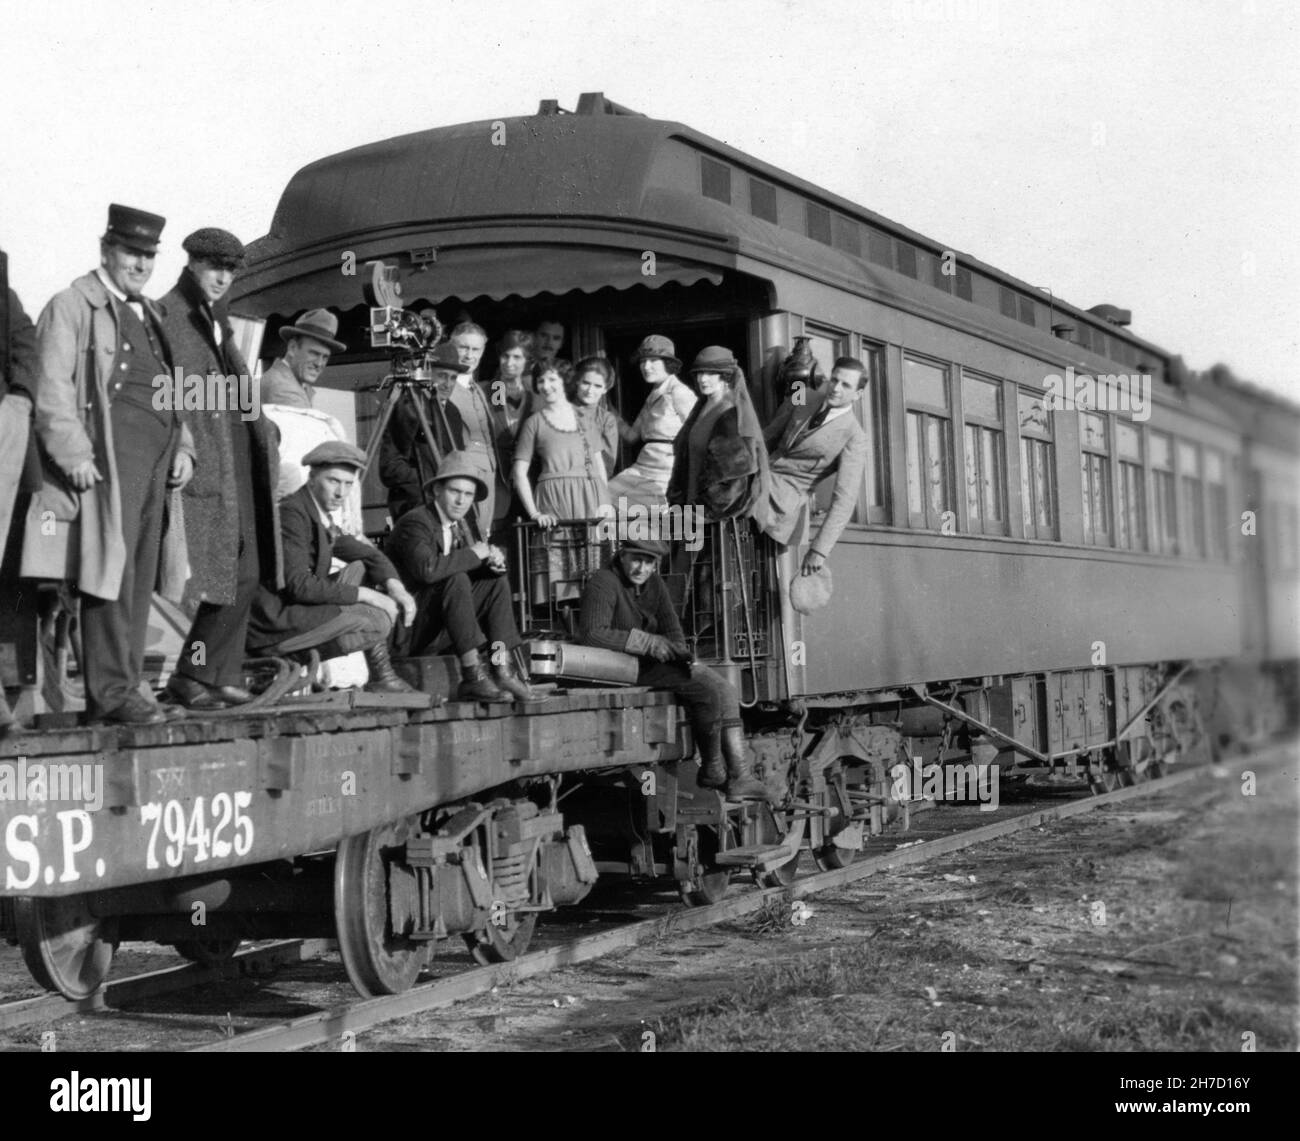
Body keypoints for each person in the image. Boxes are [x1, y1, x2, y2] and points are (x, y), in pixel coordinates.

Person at [21, 205, 196, 725]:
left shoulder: (152, 314)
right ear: (106, 250)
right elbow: (50, 384)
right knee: (107, 578)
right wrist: (72, 453)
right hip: (108, 463)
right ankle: (112, 694)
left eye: (148, 256)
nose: (140, 265)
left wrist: (184, 445)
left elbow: (172, 387)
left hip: (154, 462)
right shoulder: (72, 305)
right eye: (131, 253)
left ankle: (128, 687)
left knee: (140, 579)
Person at [160, 228, 283, 710]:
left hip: (241, 463)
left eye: (230, 269)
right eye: (214, 267)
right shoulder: (170, 318)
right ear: (191, 263)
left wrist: (264, 431)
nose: (221, 277)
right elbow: (169, 396)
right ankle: (191, 675)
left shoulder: (217, 322)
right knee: (216, 577)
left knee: (246, 573)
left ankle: (217, 673)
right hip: (208, 465)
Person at [578, 538, 770, 800]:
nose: (641, 569)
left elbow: (671, 627)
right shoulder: (603, 581)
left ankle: (740, 776)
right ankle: (713, 770)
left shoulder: (654, 584)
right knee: (705, 693)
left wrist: (680, 653)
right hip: (619, 666)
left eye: (649, 563)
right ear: (621, 555)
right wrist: (647, 642)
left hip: (648, 661)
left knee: (725, 689)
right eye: (636, 560)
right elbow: (592, 635)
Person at [246, 441, 418, 693]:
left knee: (363, 567)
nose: (341, 493)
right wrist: (369, 596)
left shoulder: (317, 514)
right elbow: (299, 585)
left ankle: (379, 675)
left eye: (348, 484)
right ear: (312, 477)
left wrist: (397, 589)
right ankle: (280, 663)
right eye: (333, 481)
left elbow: (370, 556)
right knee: (376, 621)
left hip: (295, 610)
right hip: (274, 620)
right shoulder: (292, 514)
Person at [385, 451, 537, 703]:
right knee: (455, 580)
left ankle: (501, 668)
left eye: (468, 495)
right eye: (455, 491)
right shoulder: (415, 523)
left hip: (436, 624)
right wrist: (474, 553)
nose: (461, 501)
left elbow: (456, 573)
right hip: (406, 633)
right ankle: (472, 674)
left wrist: (489, 565)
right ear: (436, 491)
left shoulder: (455, 527)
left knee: (494, 583)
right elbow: (429, 570)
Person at [761, 356, 870, 574]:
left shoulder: (855, 437)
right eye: (834, 379)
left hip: (783, 507)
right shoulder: (804, 395)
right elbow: (768, 436)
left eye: (845, 385)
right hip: (760, 482)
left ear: (857, 395)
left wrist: (819, 551)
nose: (836, 388)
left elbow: (844, 501)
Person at [0, 248, 39, 734]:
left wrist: (19, 395)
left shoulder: (2, 287)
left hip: (7, 455)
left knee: (12, 586)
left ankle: (11, 696)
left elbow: (25, 345)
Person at [668, 346, 769, 521]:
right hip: (688, 511)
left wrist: (701, 511)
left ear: (724, 375)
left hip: (711, 520)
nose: (702, 379)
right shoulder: (701, 407)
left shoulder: (730, 413)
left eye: (710, 373)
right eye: (699, 373)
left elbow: (735, 479)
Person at [513, 359, 609, 528]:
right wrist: (535, 513)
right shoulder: (533, 423)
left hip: (590, 496)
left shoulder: (585, 417)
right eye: (541, 381)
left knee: (592, 550)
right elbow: (519, 473)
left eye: (551, 379)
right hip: (553, 499)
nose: (545, 386)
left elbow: (599, 464)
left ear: (564, 381)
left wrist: (605, 502)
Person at [378, 341, 468, 522]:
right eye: (442, 376)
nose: (448, 384)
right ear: (426, 373)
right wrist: (432, 484)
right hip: (416, 507)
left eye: (453, 378)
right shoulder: (407, 405)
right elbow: (390, 467)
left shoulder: (453, 412)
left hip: (449, 508)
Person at [606, 335, 696, 510]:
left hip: (667, 471)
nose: (646, 367)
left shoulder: (680, 392)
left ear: (668, 363)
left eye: (653, 360)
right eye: (643, 361)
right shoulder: (653, 395)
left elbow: (698, 434)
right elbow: (631, 436)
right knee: (604, 497)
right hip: (643, 466)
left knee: (653, 520)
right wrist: (607, 408)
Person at [440, 327, 504, 540]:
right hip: (463, 477)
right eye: (463, 347)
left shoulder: (479, 390)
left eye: (476, 349)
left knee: (483, 536)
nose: (469, 355)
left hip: (488, 477)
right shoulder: (445, 389)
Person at [260, 308, 346, 409]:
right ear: (292, 348)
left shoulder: (288, 382)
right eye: (314, 353)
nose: (319, 363)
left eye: (325, 357)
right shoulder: (284, 389)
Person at [572, 355, 619, 476]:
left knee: (624, 496)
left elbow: (608, 462)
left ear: (605, 389)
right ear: (577, 381)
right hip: (560, 481)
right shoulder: (560, 411)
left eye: (597, 386)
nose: (590, 390)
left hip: (593, 480)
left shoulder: (606, 420)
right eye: (586, 383)